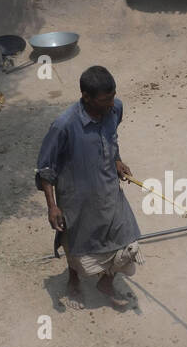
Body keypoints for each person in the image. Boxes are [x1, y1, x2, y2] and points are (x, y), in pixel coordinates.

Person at [36, 66, 141, 310]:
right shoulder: (63, 125)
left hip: (109, 190)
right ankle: (73, 280)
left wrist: (116, 159)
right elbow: (45, 169)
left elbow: (112, 136)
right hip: (76, 198)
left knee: (128, 241)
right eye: (105, 99)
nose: (111, 103)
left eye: (113, 96)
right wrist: (52, 207)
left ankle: (106, 282)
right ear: (86, 96)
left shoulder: (115, 108)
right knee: (78, 246)